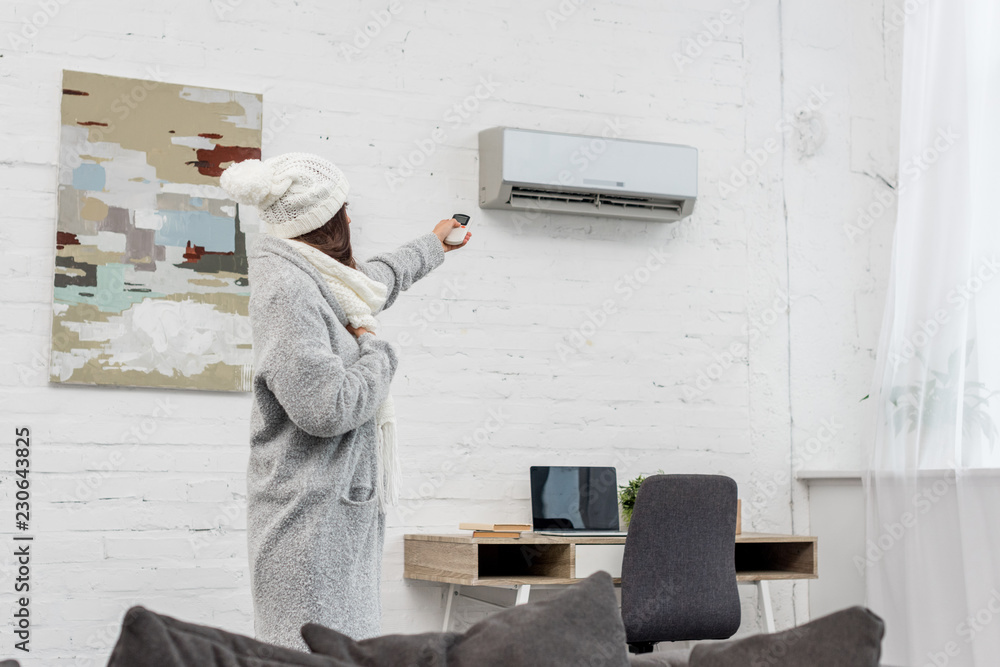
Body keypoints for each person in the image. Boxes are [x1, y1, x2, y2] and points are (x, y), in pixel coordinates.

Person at [219, 152, 470, 651]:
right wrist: (376, 348)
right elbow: (326, 408)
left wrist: (433, 244)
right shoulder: (287, 292)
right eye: (344, 208)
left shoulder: (310, 273)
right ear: (325, 220)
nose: (351, 217)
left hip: (332, 518)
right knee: (313, 655)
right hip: (307, 528)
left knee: (345, 655)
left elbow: (369, 283)